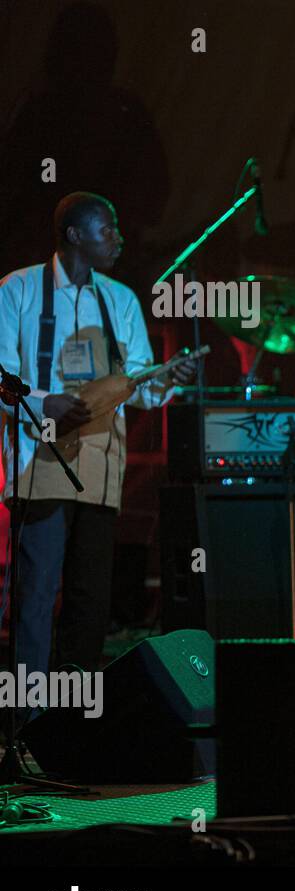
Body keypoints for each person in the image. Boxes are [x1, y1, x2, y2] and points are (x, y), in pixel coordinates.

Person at [0, 192, 195, 676]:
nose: (118, 237)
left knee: (90, 597)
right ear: (74, 235)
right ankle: (27, 717)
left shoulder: (119, 298)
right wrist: (47, 402)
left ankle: (73, 725)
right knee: (38, 591)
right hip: (37, 461)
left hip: (100, 466)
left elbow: (138, 389)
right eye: (106, 229)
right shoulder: (17, 290)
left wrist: (165, 379)